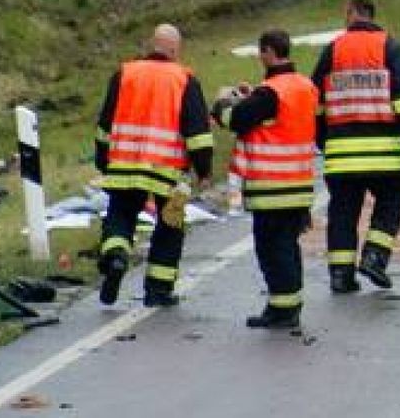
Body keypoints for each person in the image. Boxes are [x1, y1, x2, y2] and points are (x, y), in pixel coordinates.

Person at [94, 23, 213, 307]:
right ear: (174, 50)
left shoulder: (125, 73)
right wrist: (204, 169)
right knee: (171, 226)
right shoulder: (184, 79)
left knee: (120, 216)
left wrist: (103, 159)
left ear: (152, 45)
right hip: (168, 173)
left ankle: (115, 257)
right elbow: (197, 133)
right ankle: (158, 290)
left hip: (123, 165)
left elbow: (105, 124)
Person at [312, 0, 400, 293]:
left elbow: (316, 104)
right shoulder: (390, 47)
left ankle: (340, 275)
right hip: (384, 155)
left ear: (351, 14)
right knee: (390, 204)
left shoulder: (332, 50)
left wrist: (325, 142)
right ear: (372, 16)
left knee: (343, 214)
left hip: (341, 156)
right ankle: (374, 256)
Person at [213, 29, 318, 329]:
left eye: (261, 53)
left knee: (272, 249)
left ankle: (283, 310)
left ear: (269, 53)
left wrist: (223, 101)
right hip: (299, 184)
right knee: (287, 246)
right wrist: (250, 97)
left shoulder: (271, 92)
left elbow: (235, 119)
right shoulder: (304, 87)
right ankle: (286, 304)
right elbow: (277, 121)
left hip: (272, 187)